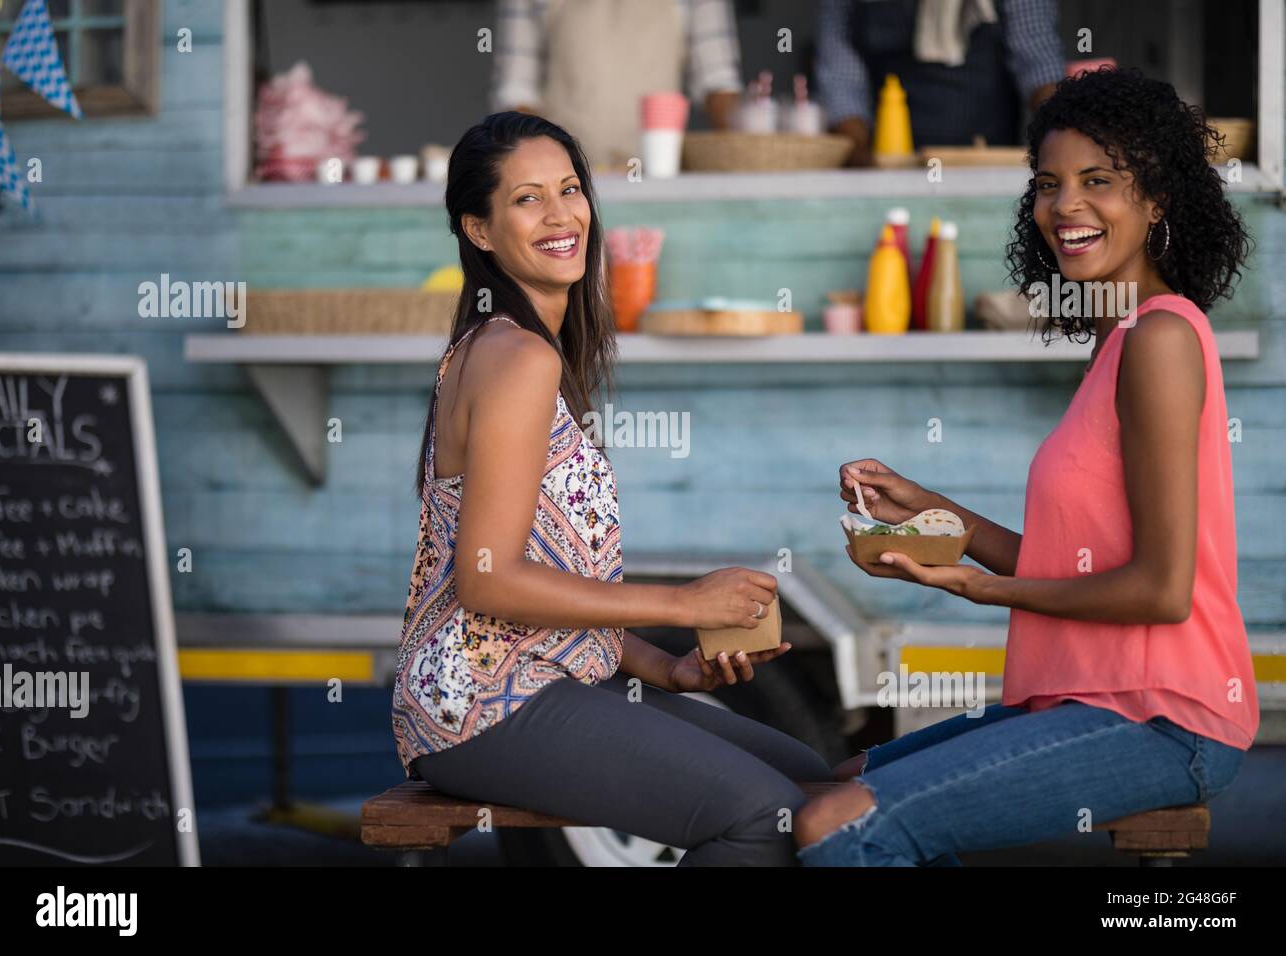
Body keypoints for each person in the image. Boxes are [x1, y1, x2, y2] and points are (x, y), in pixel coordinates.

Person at [796, 67, 1257, 865]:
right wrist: (940, 516)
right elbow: (1078, 564)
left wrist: (978, 589)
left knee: (836, 824)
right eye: (1048, 184)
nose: (1065, 206)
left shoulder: (1159, 341)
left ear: (1159, 200)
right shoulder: (1121, 341)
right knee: (828, 786)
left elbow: (1160, 587)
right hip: (1099, 702)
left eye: (1098, 181)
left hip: (1164, 718)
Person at [392, 111, 832, 867]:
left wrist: (665, 667)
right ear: (480, 231)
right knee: (772, 817)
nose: (561, 214)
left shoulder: (528, 352)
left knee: (819, 787)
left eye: (570, 189)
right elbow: (487, 580)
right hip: (479, 701)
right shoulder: (514, 359)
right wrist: (683, 604)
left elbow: (551, 579)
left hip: (550, 679)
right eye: (528, 199)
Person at [490, 0, 742, 171]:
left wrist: (740, 164)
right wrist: (540, 175)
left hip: (658, 179)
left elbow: (718, 82)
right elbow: (517, 91)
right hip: (563, 181)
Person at [816, 0, 1063, 165]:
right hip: (888, 155)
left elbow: (1037, 57)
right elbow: (839, 61)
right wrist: (855, 149)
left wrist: (1061, 133)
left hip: (981, 154)